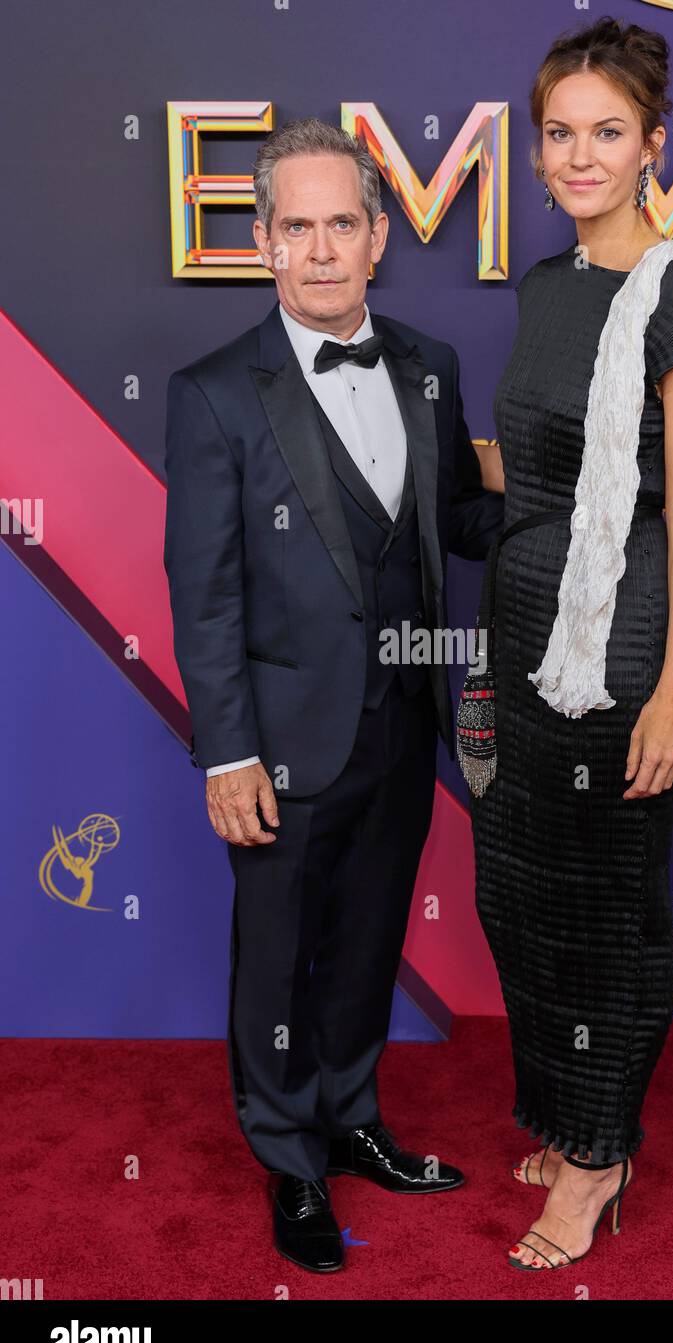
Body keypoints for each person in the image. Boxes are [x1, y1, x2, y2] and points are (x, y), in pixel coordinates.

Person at [162, 117, 504, 1274]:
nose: (318, 250)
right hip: (280, 739)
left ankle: (351, 1117)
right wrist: (226, 753)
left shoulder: (426, 364)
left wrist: (580, 487)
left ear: (375, 242)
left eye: (340, 224)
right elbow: (201, 592)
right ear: (263, 244)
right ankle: (288, 1158)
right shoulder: (212, 394)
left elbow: (452, 520)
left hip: (403, 723)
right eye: (294, 228)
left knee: (366, 938)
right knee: (276, 951)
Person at [466, 17, 673, 1271]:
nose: (579, 156)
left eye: (606, 134)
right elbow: (535, 467)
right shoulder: (543, 286)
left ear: (652, 145)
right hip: (522, 631)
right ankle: (565, 1113)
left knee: (600, 910)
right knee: (516, 894)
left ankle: (595, 1162)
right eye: (559, 134)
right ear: (535, 150)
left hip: (621, 637)